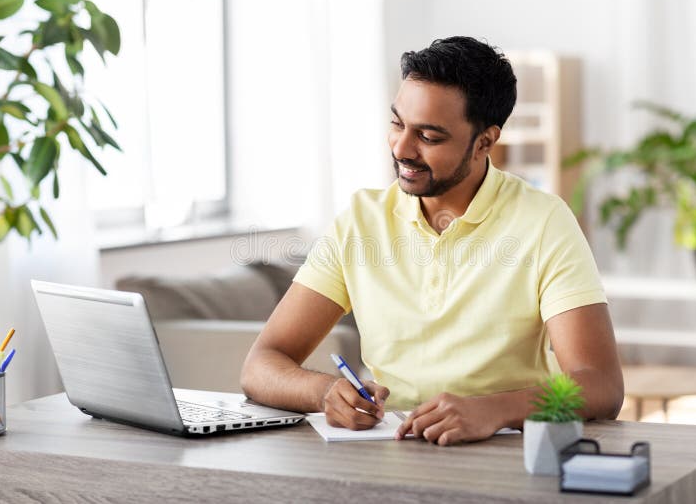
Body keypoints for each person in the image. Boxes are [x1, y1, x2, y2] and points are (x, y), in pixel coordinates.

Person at [241, 36, 623, 446]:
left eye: (429, 137)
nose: (402, 148)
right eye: (398, 124)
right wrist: (324, 393)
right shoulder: (360, 221)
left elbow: (600, 385)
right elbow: (261, 365)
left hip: (504, 453)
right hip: (389, 453)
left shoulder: (544, 221)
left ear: (485, 142)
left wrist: (495, 410)